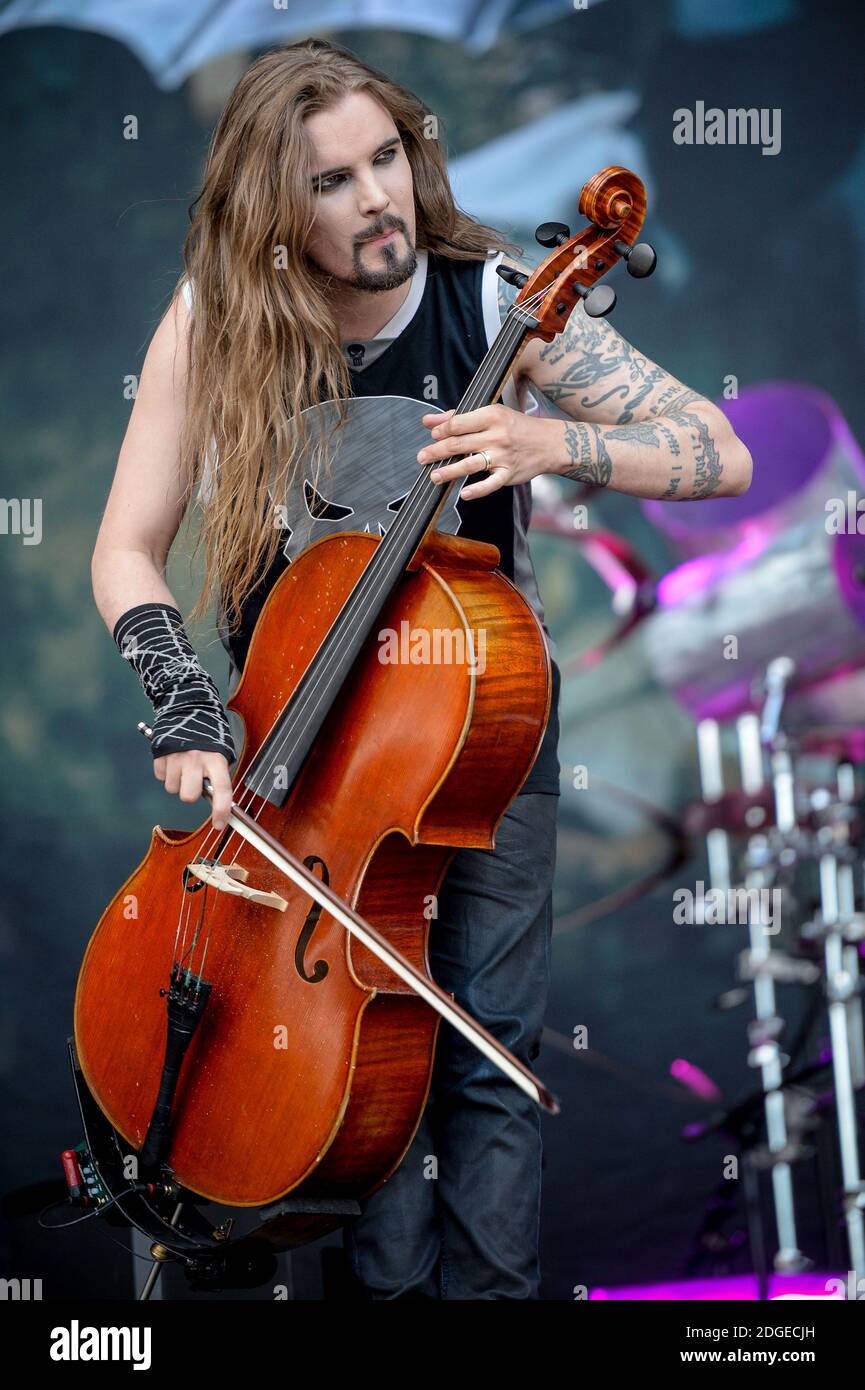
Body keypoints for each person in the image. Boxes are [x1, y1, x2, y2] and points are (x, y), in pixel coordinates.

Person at [91, 38, 752, 1300]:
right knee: (344, 1051)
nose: (377, 198)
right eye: (332, 182)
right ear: (274, 209)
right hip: (291, 739)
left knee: (484, 1061)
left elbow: (715, 451)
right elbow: (125, 546)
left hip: (481, 735)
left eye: (386, 158)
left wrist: (552, 437)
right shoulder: (216, 314)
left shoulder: (502, 291)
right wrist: (184, 700)